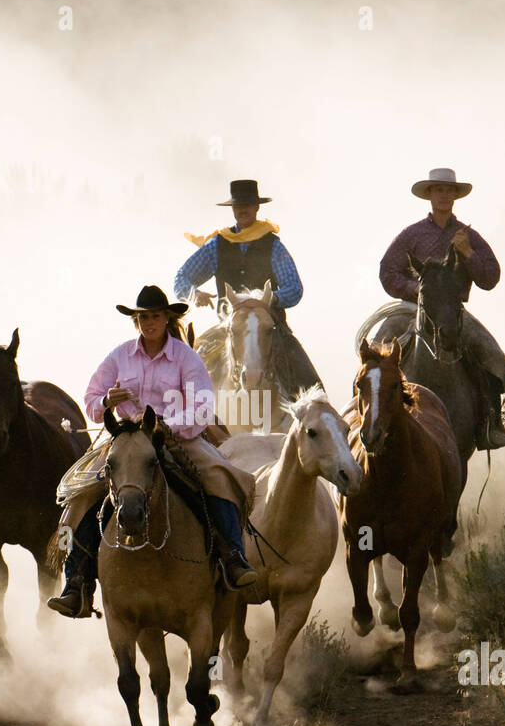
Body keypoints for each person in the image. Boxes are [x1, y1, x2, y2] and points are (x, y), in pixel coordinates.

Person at [47, 285, 258, 618]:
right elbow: (91, 397)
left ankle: (233, 557)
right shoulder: (119, 356)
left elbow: (203, 405)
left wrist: (169, 424)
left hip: (176, 437)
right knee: (81, 493)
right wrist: (106, 402)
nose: (149, 322)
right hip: (127, 438)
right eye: (143, 317)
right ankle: (76, 582)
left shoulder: (185, 357)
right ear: (136, 321)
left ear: (166, 318)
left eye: (155, 316)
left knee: (220, 475)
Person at [378, 167, 505, 449]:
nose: (444, 195)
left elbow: (490, 278)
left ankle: (492, 425)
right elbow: (387, 271)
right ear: (429, 195)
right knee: (376, 349)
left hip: (453, 311)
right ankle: (364, 415)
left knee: (492, 354)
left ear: (455, 196)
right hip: (413, 309)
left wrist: (468, 252)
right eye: (438, 190)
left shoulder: (468, 235)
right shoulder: (411, 235)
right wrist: (416, 289)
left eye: (449, 190)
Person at [173, 178, 322, 395]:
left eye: (247, 204)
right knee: (190, 371)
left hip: (271, 328)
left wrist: (269, 299)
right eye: (238, 205)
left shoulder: (273, 245)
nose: (242, 209)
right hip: (228, 326)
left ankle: (320, 410)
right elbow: (181, 278)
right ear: (233, 209)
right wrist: (194, 294)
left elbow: (294, 288)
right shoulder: (217, 244)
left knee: (310, 382)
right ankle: (182, 420)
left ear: (256, 207)